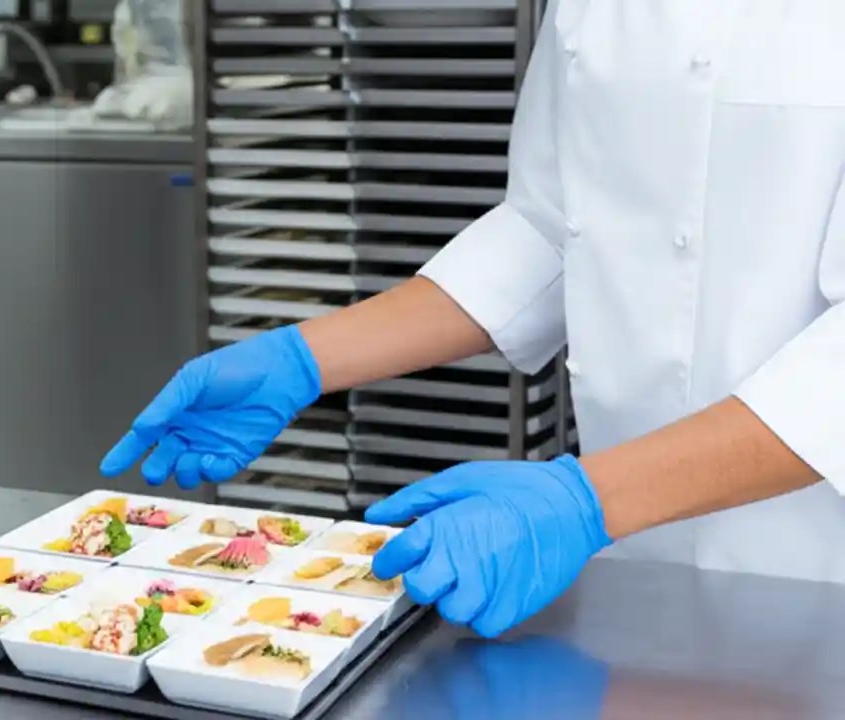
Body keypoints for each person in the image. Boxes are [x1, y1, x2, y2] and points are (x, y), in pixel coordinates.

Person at [101, 0, 845, 637]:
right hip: (640, 565)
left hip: (818, 573)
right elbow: (551, 230)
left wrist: (585, 500)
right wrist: (305, 359)